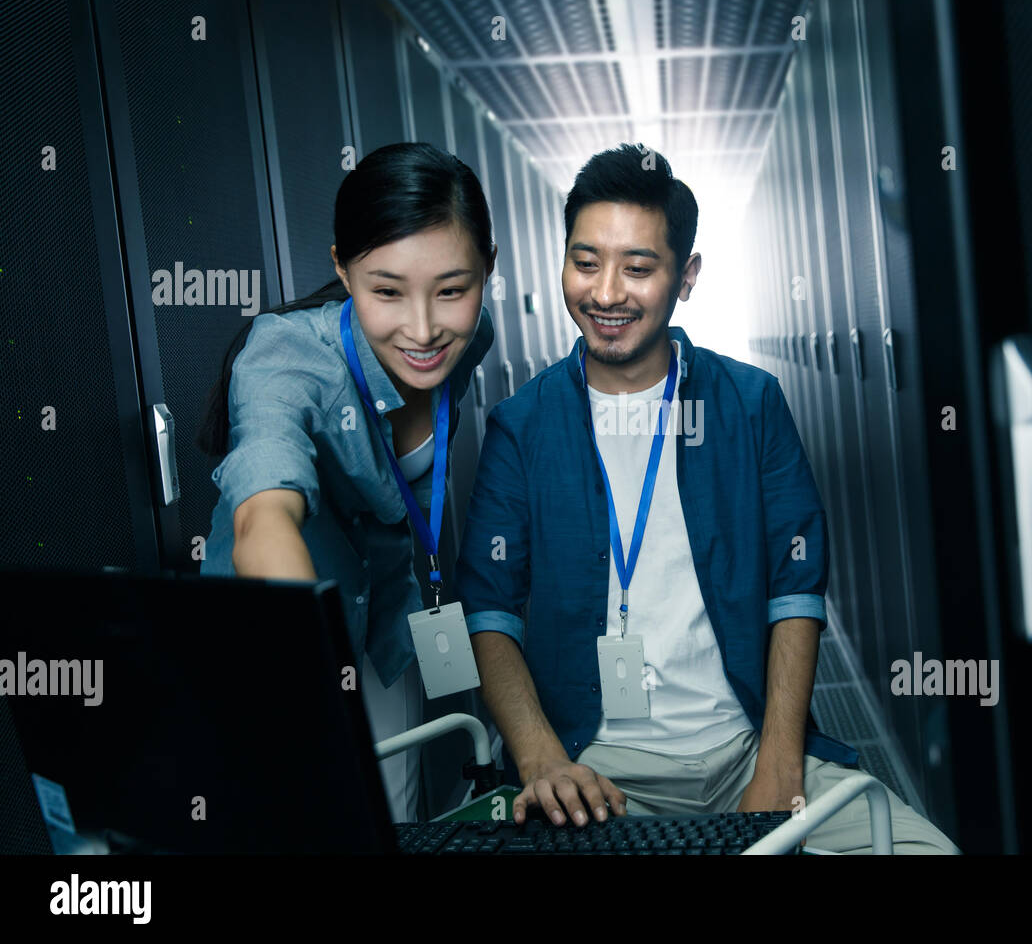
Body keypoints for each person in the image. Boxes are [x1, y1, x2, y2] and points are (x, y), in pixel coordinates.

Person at [455, 143, 958, 853]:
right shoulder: (522, 425)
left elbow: (796, 587)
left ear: (685, 277)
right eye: (585, 260)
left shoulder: (750, 404)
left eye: (638, 268)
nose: (604, 293)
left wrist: (779, 761)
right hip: (593, 770)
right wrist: (541, 758)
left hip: (745, 751)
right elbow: (490, 607)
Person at [196, 142, 496, 823]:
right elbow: (261, 520)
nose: (423, 330)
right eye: (386, 291)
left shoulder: (468, 340)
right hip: (284, 640)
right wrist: (315, 666)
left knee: (391, 823)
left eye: (452, 289)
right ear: (341, 266)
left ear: (488, 270)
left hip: (389, 628)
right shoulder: (285, 354)